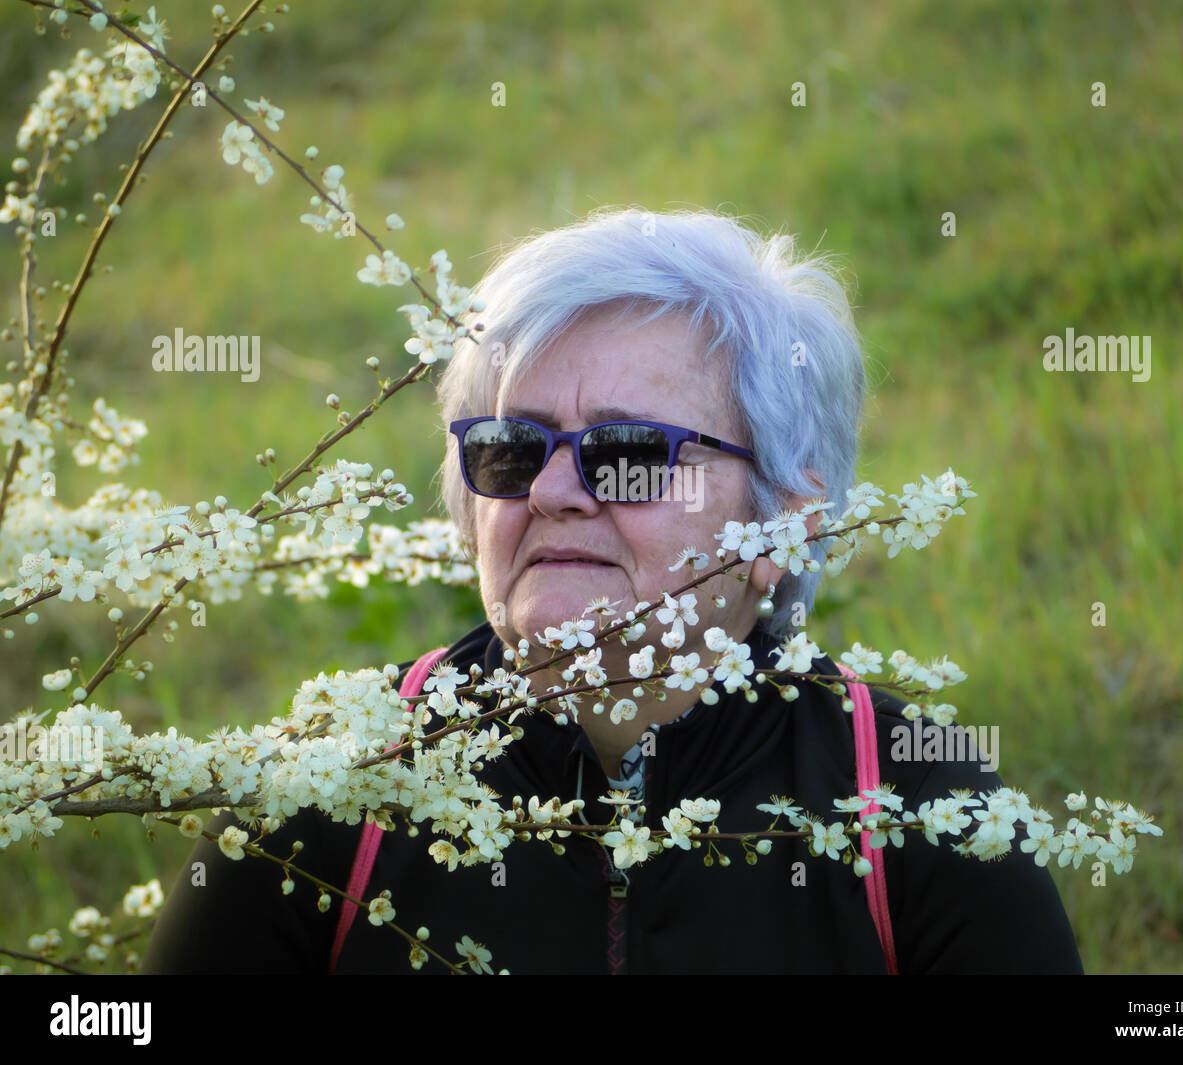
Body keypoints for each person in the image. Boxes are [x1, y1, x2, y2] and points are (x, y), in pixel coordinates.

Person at [144, 206, 1083, 974]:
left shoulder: (913, 797)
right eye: (509, 450)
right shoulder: (338, 784)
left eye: (628, 453)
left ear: (784, 523)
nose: (551, 492)